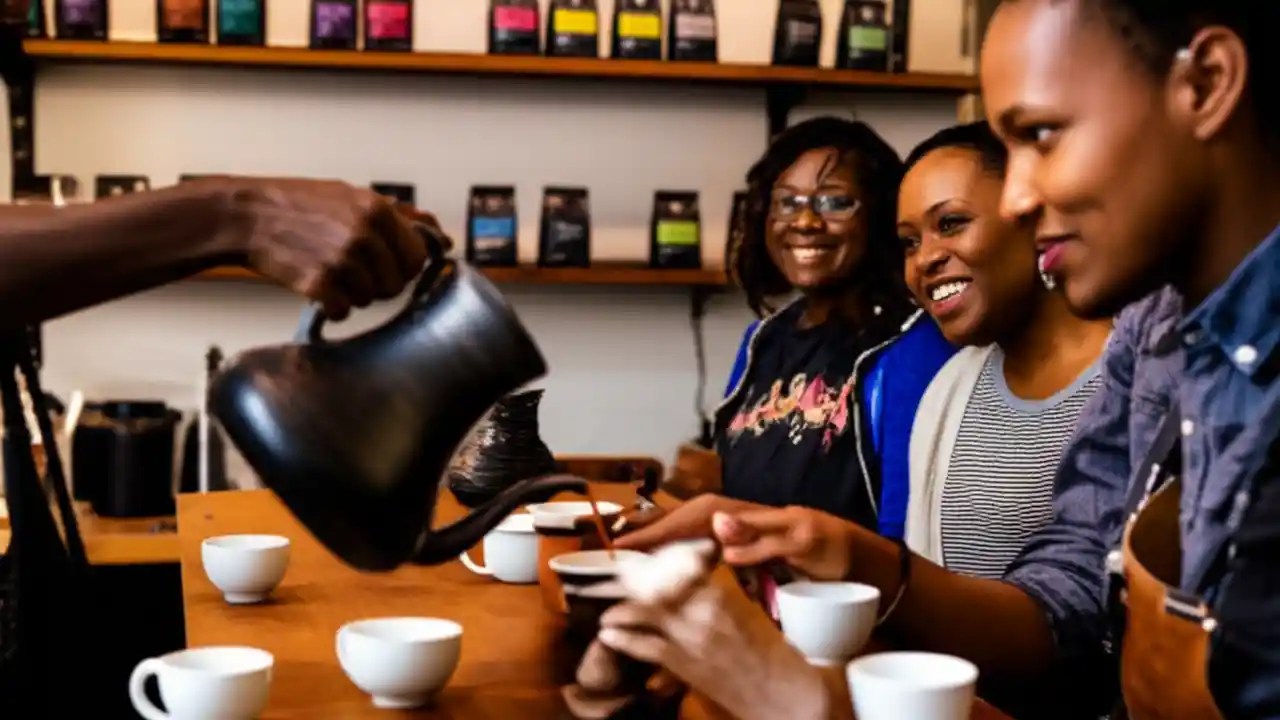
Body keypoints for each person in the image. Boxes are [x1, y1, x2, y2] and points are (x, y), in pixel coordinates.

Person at [575, 0, 1280, 718]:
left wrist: (802, 698)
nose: (1019, 197)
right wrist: (845, 555)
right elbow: (1070, 602)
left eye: (1042, 135)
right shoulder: (1153, 331)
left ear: (1207, 82)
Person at [712, 116, 954, 539]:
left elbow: (906, 543)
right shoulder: (759, 342)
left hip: (850, 603)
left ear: (880, 217)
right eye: (787, 202)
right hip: (750, 598)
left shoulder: (914, 347)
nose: (805, 222)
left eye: (835, 203)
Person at [897, 121, 1110, 577]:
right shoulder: (948, 391)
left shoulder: (1136, 378)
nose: (924, 259)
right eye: (910, 243)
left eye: (950, 223)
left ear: (1032, 214)